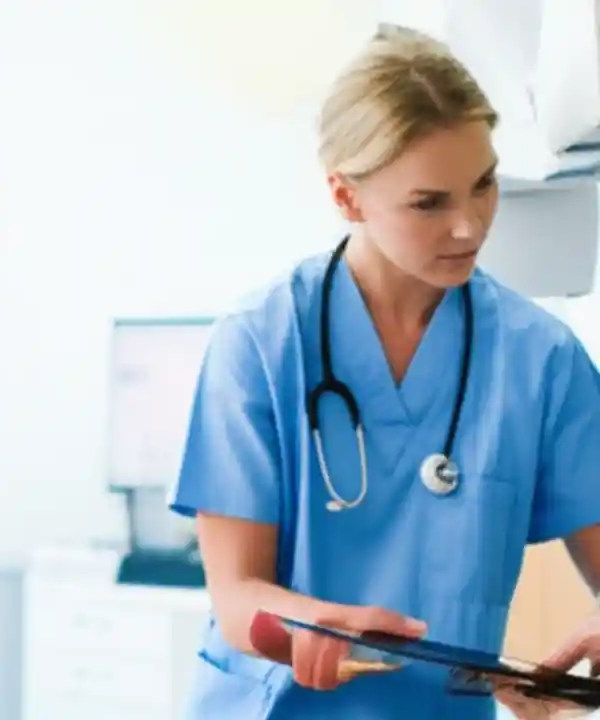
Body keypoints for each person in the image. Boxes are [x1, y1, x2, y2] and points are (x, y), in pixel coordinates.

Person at [170, 27, 600, 719]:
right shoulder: (260, 343)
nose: (470, 226)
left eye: (483, 185)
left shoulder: (542, 361)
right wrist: (307, 625)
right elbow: (236, 596)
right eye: (430, 203)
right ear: (347, 198)